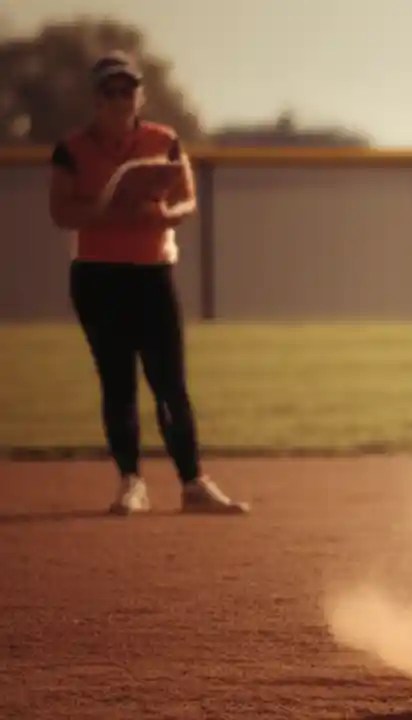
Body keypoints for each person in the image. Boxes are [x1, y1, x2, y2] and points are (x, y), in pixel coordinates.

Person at [46, 51, 248, 516]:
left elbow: (186, 200)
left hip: (152, 272)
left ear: (140, 94)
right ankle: (130, 481)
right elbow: (61, 213)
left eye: (127, 89)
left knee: (170, 383)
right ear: (96, 98)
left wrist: (162, 214)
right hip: (98, 276)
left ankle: (194, 482)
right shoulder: (73, 149)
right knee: (117, 382)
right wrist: (108, 207)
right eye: (109, 91)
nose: (119, 99)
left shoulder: (163, 139)